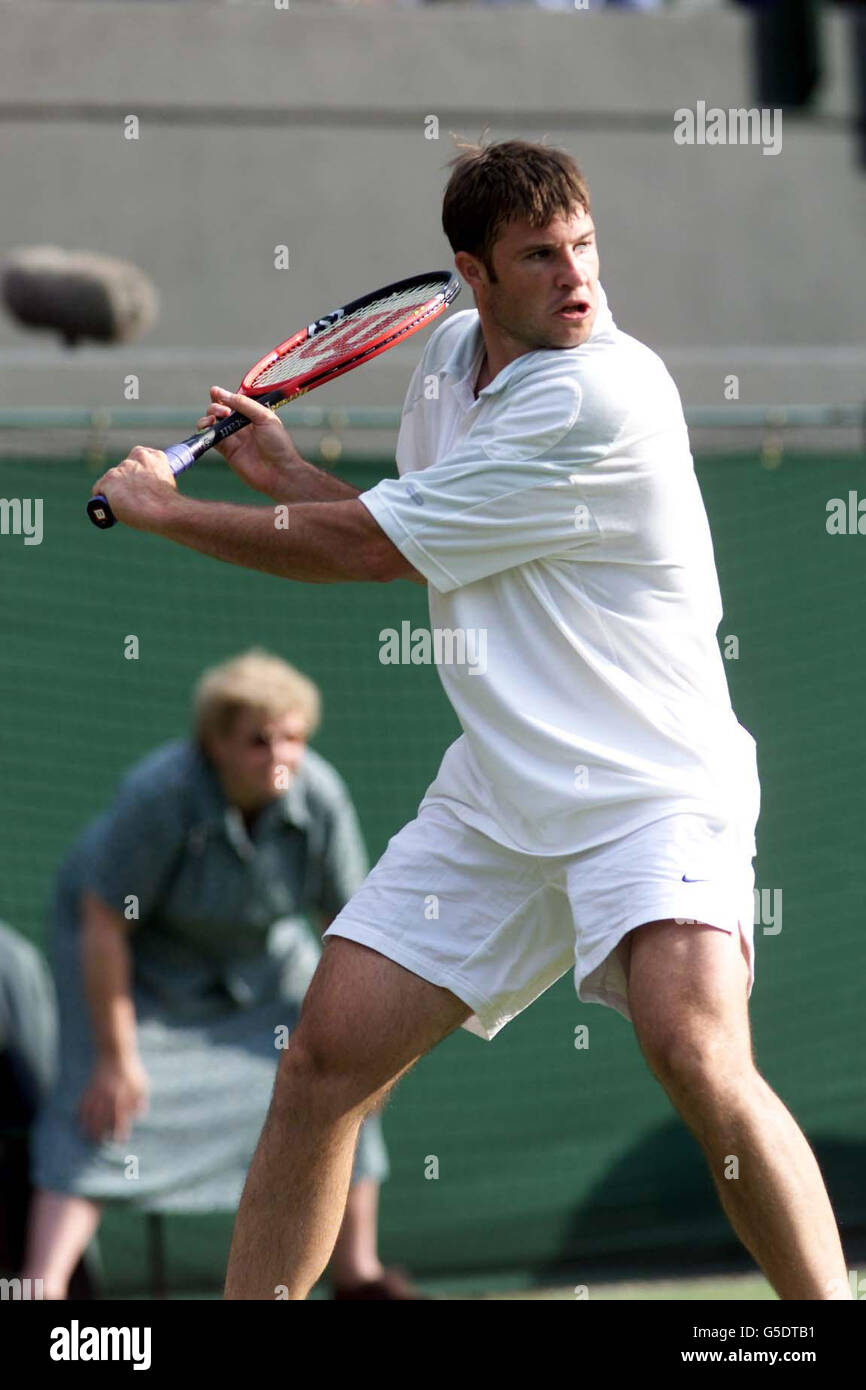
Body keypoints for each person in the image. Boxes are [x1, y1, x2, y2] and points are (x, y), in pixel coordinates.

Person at [91, 138, 851, 1302]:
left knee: (693, 1048)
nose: (575, 276)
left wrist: (163, 511)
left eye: (584, 246)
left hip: (653, 788)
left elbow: (369, 548)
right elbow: (414, 543)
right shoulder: (448, 362)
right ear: (472, 273)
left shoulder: (602, 390)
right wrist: (289, 472)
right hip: (500, 794)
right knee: (324, 1063)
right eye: (538, 256)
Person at [23, 650, 421, 1300]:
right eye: (258, 741)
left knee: (348, 1075)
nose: (279, 755)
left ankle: (359, 1276)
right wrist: (116, 1059)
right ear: (215, 743)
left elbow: (349, 920)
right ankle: (41, 1288)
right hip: (130, 959)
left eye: (292, 737)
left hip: (263, 961)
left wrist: (354, 1035)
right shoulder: (160, 794)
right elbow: (104, 923)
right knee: (103, 1106)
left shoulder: (320, 796)